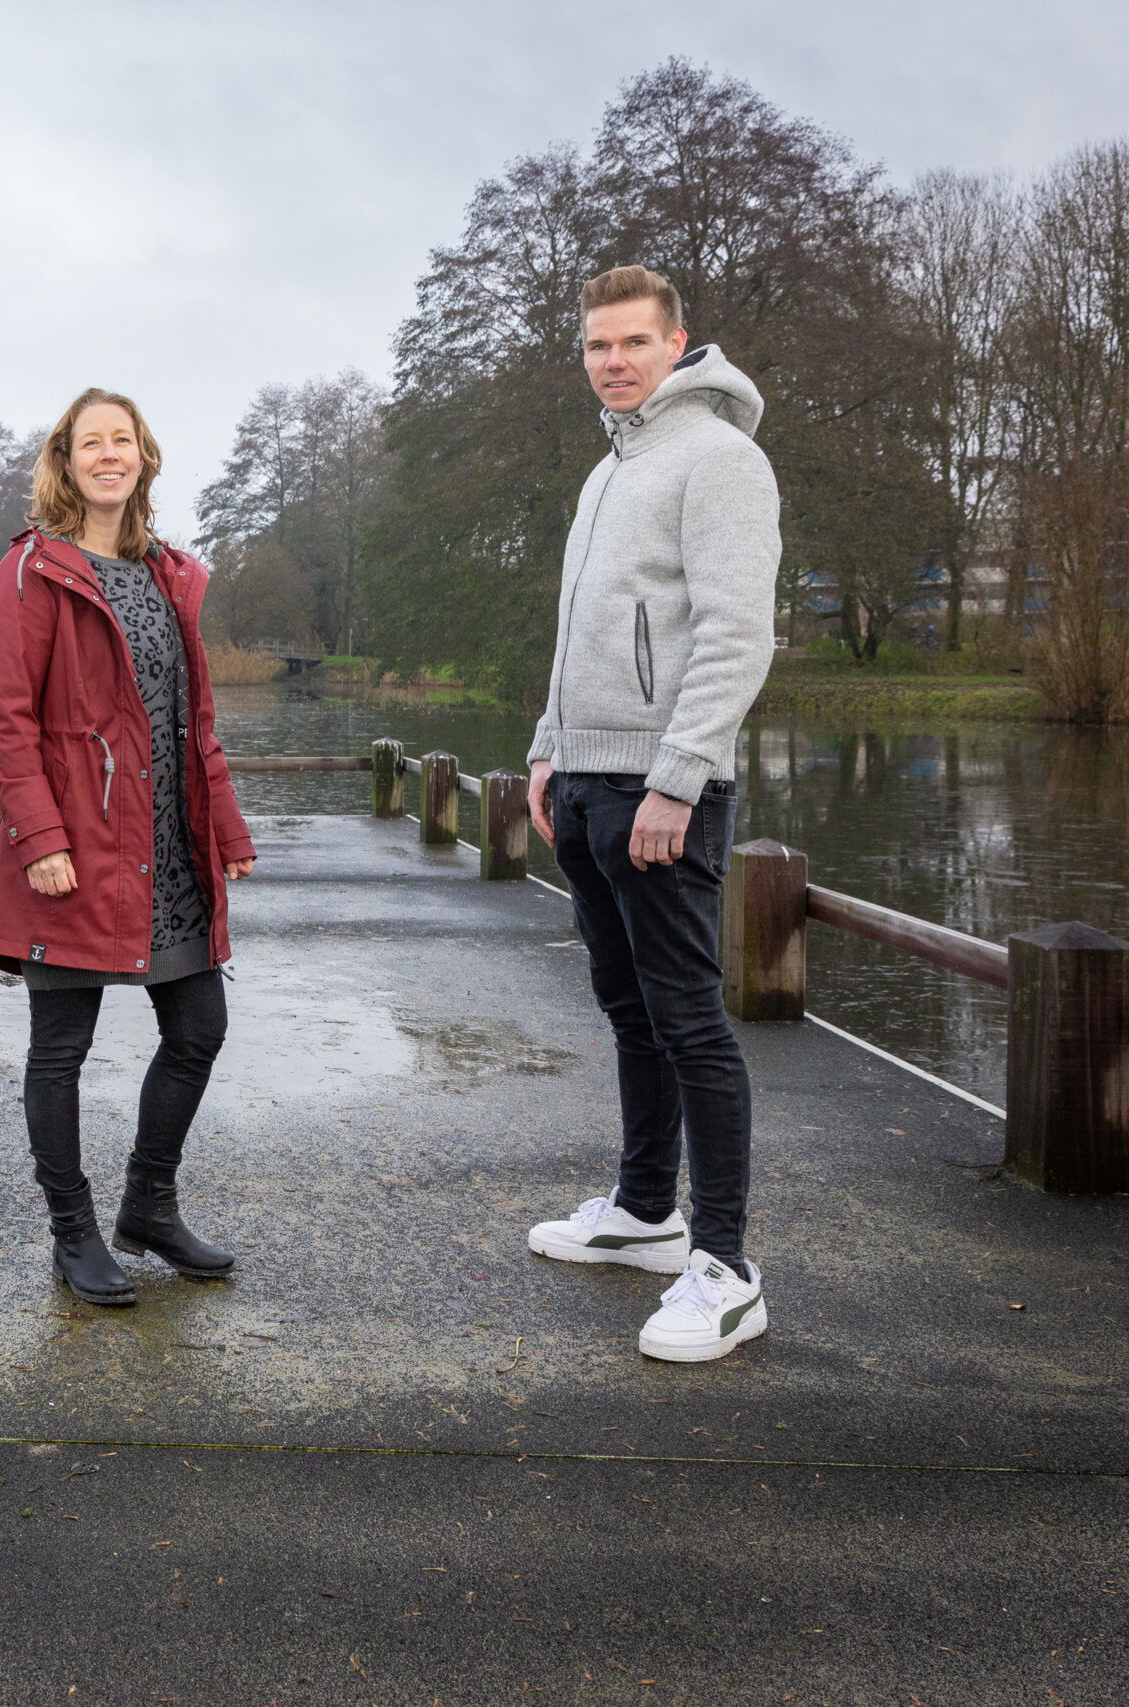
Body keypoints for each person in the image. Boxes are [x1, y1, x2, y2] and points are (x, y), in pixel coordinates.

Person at [523, 266, 781, 1363]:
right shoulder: (607, 469)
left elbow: (737, 633)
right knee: (628, 1009)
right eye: (597, 345)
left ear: (678, 345)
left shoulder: (720, 459)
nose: (614, 361)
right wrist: (547, 747)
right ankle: (643, 1213)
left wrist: (679, 776)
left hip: (662, 789)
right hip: (585, 779)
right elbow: (578, 627)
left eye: (633, 342)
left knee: (690, 1022)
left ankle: (724, 1269)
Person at [0, 387, 256, 1307]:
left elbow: (193, 723)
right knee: (61, 1047)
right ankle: (74, 1231)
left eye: (122, 440)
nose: (109, 455)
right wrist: (39, 839)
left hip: (167, 852)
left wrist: (226, 828)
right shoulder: (32, 572)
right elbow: (7, 727)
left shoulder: (168, 575)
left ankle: (149, 1204)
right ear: (65, 461)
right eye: (90, 442)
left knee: (200, 1028)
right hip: (73, 852)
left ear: (143, 456)